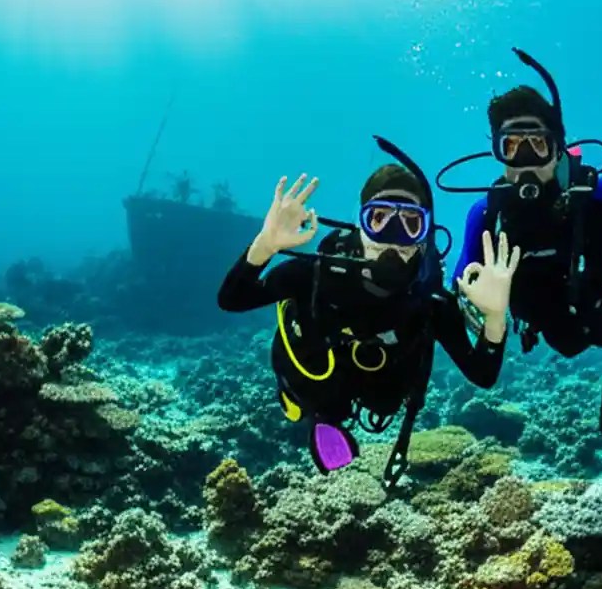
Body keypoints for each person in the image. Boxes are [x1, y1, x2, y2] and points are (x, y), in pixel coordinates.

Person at [218, 136, 520, 489]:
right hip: (319, 382)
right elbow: (233, 299)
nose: (394, 237)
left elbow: (483, 375)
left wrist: (496, 316)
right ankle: (319, 416)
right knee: (313, 395)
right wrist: (265, 246)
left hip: (385, 392)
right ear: (360, 227)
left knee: (385, 396)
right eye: (379, 219)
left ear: (425, 237)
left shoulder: (430, 302)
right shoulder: (316, 276)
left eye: (410, 223)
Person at [437, 48, 602, 441]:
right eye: (511, 146)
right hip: (541, 324)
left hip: (600, 314)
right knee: (567, 340)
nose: (524, 160)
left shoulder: (590, 189)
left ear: (557, 145)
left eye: (536, 144)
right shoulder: (486, 213)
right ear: (497, 151)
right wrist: (473, 302)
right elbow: (460, 283)